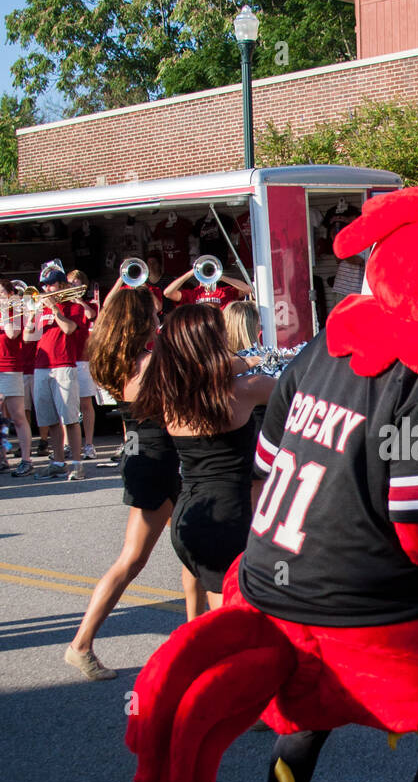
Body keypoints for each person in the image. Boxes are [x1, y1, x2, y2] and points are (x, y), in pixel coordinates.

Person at [65, 289, 185, 680]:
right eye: (153, 314)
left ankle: (195, 642)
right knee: (133, 559)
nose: (158, 318)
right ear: (139, 322)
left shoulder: (119, 361)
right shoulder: (148, 363)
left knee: (194, 556)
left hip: (149, 458)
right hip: (158, 462)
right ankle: (81, 644)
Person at [133, 305, 274, 610]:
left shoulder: (169, 391)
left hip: (188, 514)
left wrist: (249, 360)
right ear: (212, 340)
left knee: (202, 610)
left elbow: (205, 371)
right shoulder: (244, 390)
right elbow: (296, 389)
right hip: (227, 517)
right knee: (228, 621)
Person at [32, 261, 87, 482]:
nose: (46, 290)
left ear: (62, 284)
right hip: (41, 366)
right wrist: (29, 321)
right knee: (50, 419)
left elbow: (69, 328)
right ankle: (57, 462)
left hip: (64, 364)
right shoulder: (40, 307)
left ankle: (77, 464)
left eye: (51, 284)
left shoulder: (73, 306)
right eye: (44, 286)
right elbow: (28, 337)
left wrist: (55, 309)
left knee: (70, 419)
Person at [0, 279, 38, 476]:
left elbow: (12, 334)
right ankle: (3, 458)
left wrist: (6, 310)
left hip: (10, 368)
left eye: (1, 293)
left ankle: (26, 459)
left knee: (18, 417)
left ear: (9, 294)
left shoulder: (16, 313)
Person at [66, 269, 99, 459]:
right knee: (66, 405)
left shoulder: (86, 304)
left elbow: (91, 315)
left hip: (82, 359)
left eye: (76, 282)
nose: (73, 285)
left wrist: (78, 300)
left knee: (86, 403)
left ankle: (89, 444)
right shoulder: (63, 306)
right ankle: (67, 444)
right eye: (70, 282)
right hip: (66, 358)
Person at [162, 262, 253, 310]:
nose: (207, 275)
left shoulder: (225, 291)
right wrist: (190, 274)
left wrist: (221, 277)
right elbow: (167, 293)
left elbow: (248, 289)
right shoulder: (192, 294)